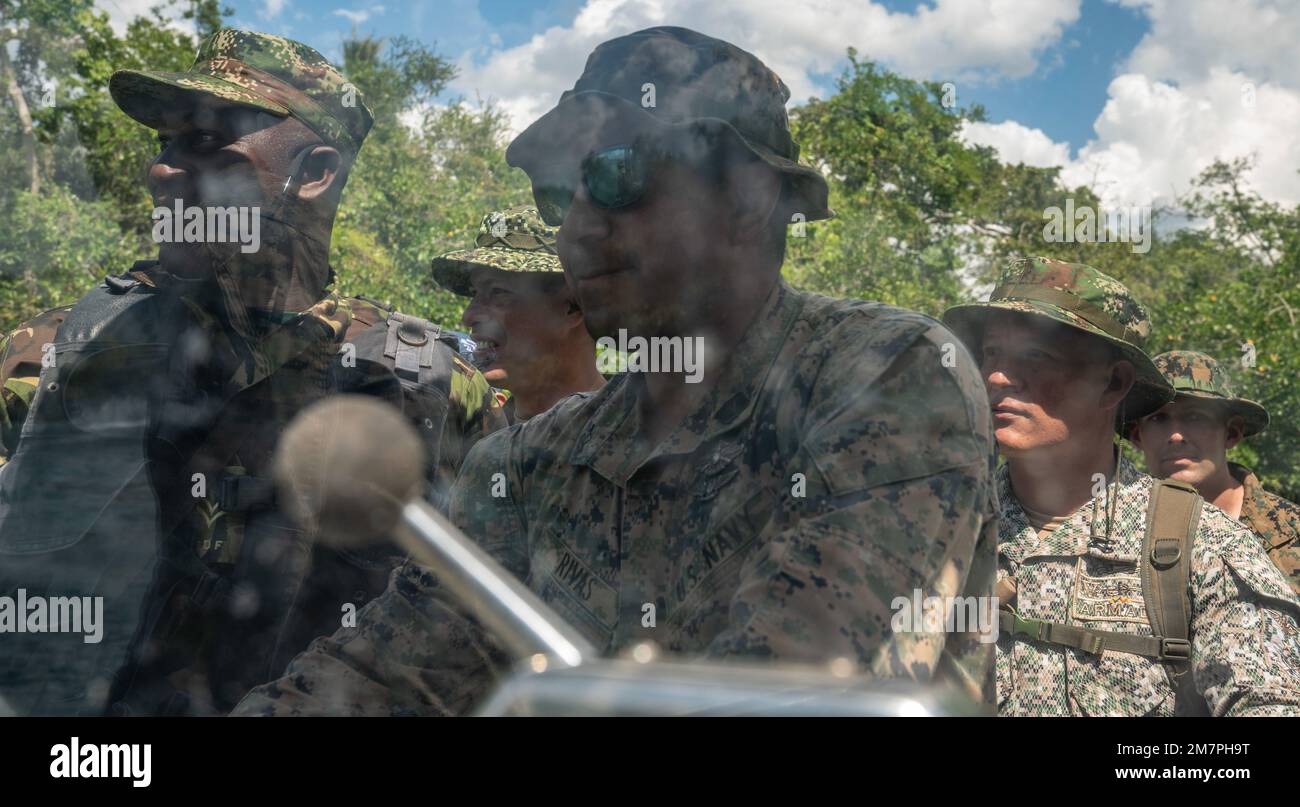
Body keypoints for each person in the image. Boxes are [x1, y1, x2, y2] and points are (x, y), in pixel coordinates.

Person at [234, 26, 998, 716]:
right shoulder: (528, 462)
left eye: (616, 174)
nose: (576, 226)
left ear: (748, 201)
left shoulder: (885, 377)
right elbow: (383, 677)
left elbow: (788, 699)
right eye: (557, 193)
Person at [0, 29, 502, 715]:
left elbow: (483, 632)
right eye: (163, 145)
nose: (160, 171)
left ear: (315, 170)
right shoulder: (70, 349)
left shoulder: (423, 382)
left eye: (206, 143)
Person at [942, 257, 1300, 716]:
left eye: (1035, 355)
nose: (995, 377)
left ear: (1113, 384)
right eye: (991, 353)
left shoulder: (1198, 544)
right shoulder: (940, 529)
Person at [1128, 349, 1300, 595]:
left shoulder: (1291, 531)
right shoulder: (1112, 531)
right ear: (1137, 436)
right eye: (1158, 419)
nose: (1176, 436)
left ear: (1231, 433)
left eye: (1195, 417)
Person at [432, 205, 605, 423]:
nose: (469, 316)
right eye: (475, 293)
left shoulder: (637, 440)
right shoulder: (475, 438)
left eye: (498, 292)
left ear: (572, 306)